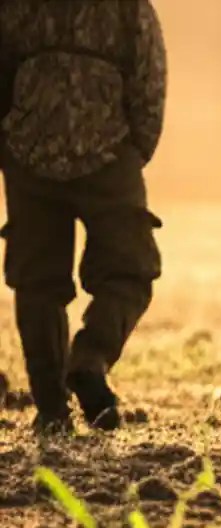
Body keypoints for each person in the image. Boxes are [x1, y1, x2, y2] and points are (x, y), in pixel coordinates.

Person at [0, 0, 167, 435]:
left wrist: (9, 145)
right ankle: (90, 360)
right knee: (130, 271)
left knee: (37, 282)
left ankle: (52, 409)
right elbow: (149, 73)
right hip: (109, 149)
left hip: (28, 151)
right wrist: (134, 151)